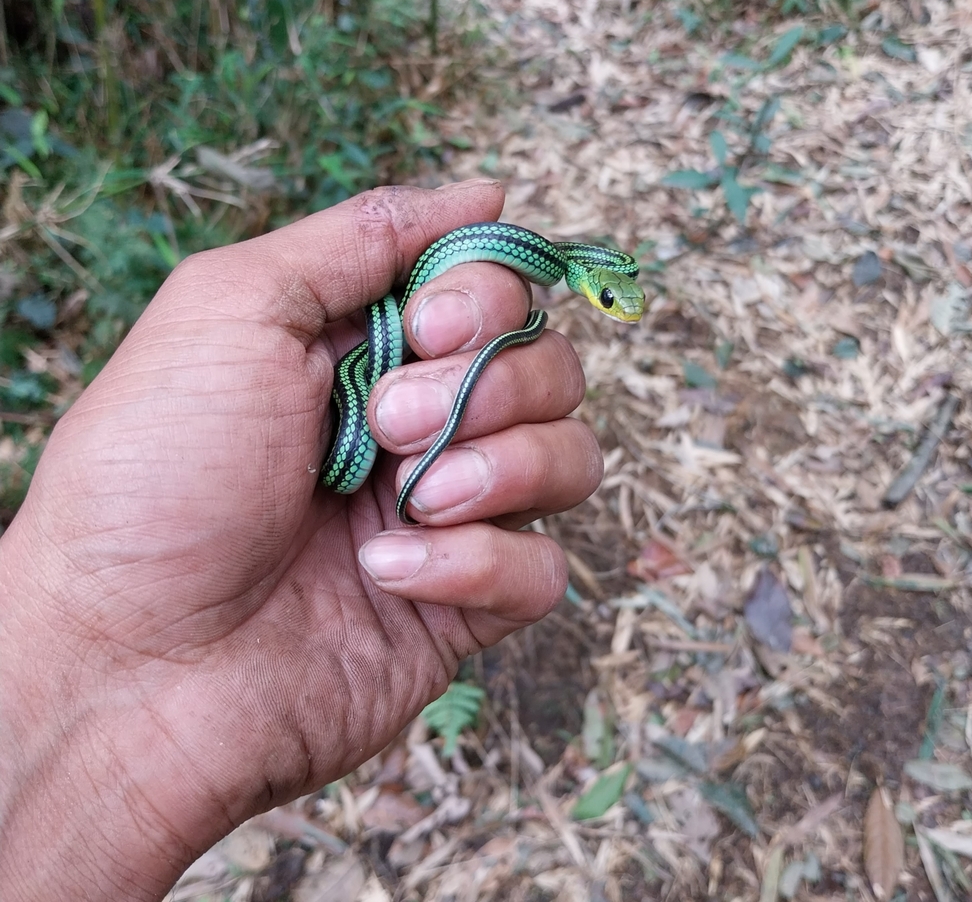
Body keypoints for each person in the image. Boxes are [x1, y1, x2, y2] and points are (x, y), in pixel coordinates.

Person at [0, 180, 605, 901]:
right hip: (351, 455)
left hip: (363, 498)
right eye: (604, 299)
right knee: (397, 402)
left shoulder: (565, 263)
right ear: (590, 279)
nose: (607, 307)